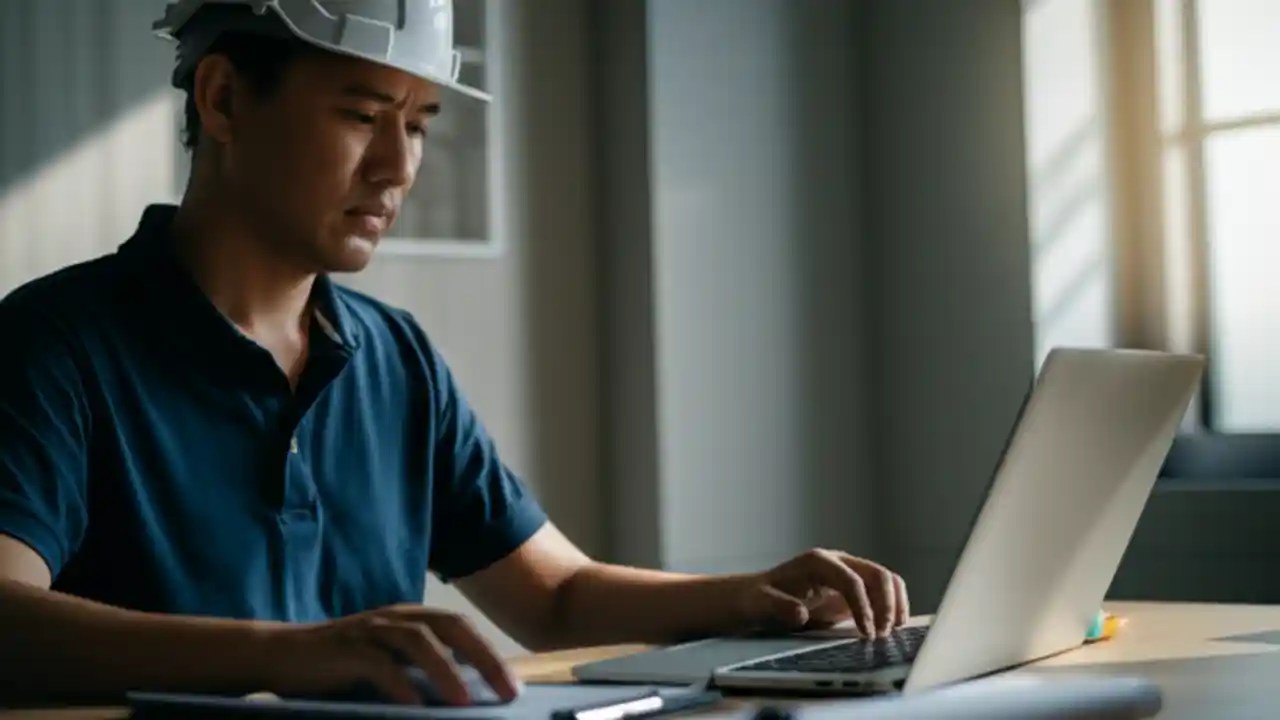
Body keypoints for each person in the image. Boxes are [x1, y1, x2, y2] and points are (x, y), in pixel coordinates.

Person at [0, 0, 908, 706]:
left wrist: (755, 596)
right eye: (363, 114)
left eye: (419, 123)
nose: (398, 167)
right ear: (225, 99)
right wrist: (290, 656)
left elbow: (554, 597)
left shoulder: (394, 357)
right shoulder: (56, 345)